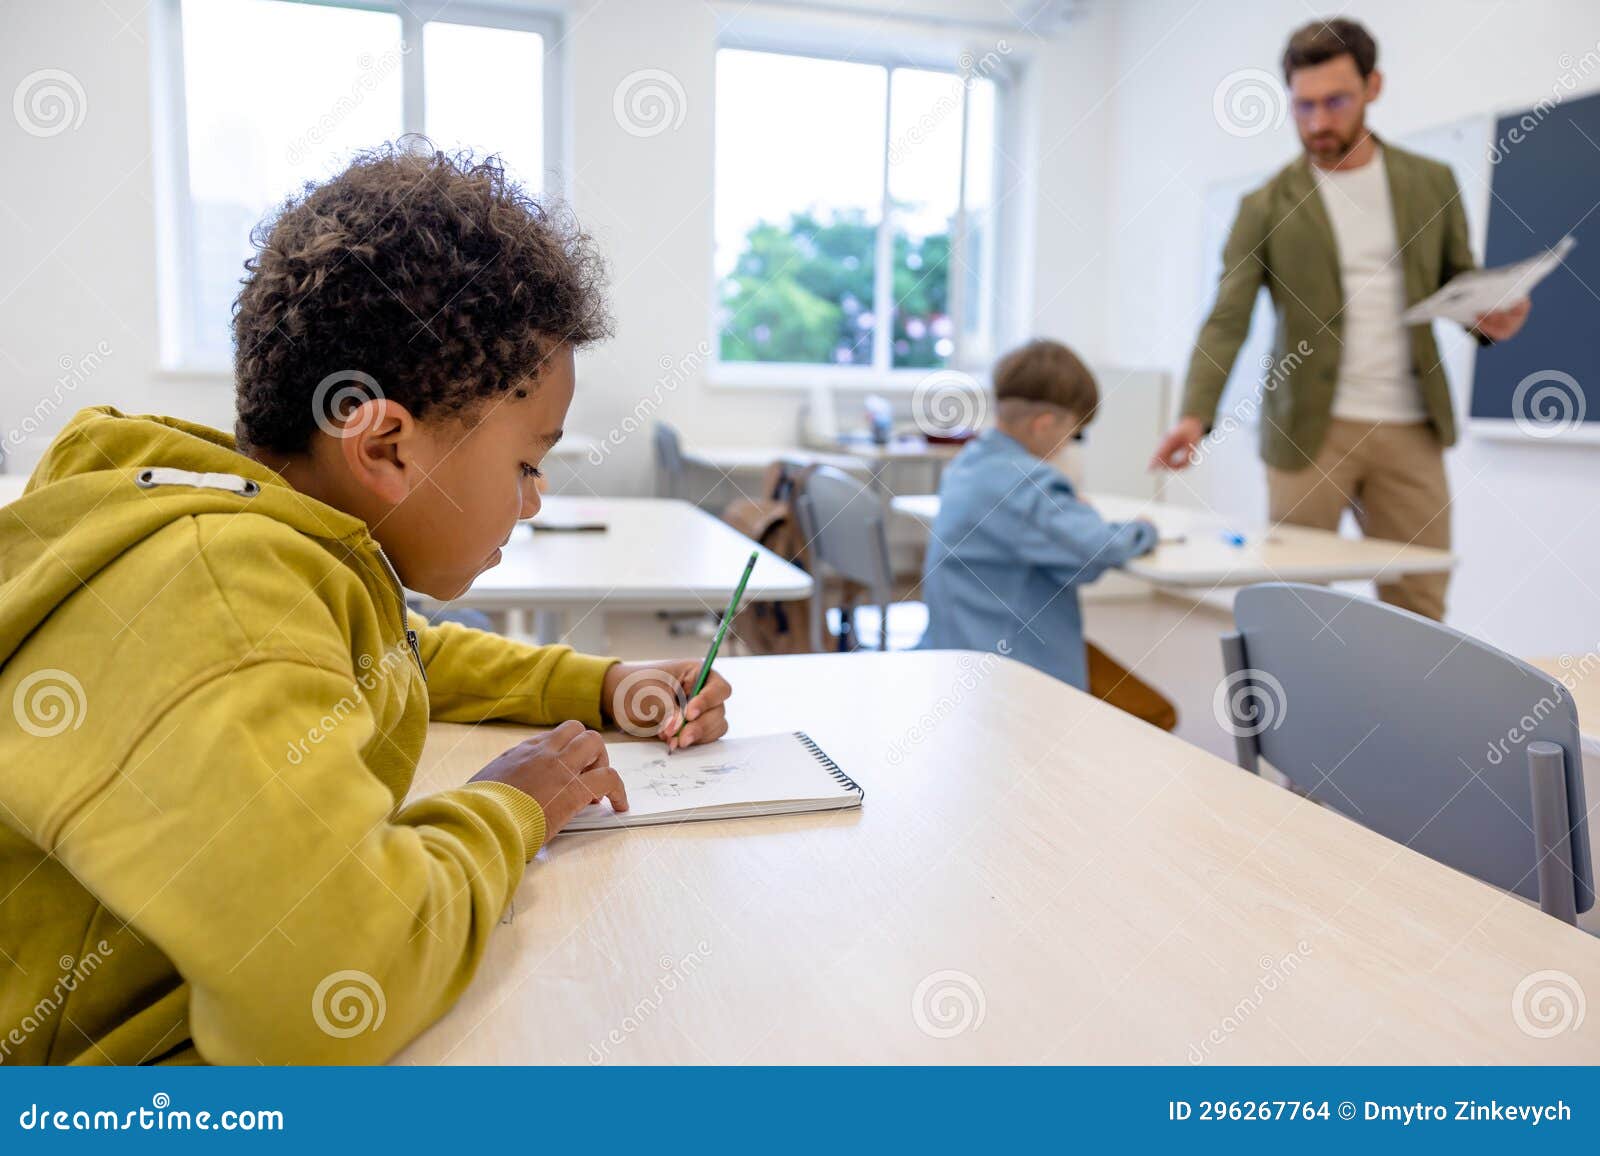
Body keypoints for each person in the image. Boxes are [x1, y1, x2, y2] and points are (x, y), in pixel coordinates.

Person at [0, 143, 731, 1065]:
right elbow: (330, 995)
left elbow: (398, 651)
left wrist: (602, 684)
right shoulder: (228, 597)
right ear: (385, 445)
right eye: (527, 463)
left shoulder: (250, 537)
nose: (536, 497)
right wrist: (507, 809)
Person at [1150, 17, 1529, 621]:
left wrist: (1488, 318)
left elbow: (1458, 282)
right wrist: (1195, 416)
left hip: (1413, 427)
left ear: (1373, 87)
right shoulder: (1264, 206)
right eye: (1303, 106)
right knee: (1295, 606)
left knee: (1421, 606)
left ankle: (1410, 717)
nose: (1318, 123)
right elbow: (1228, 318)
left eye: (1335, 102)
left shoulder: (1430, 183)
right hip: (1307, 431)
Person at [918, 339, 1157, 690]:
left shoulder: (968, 463)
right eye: (1075, 434)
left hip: (952, 657)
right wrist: (1142, 530)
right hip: (1011, 678)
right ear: (1045, 424)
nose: (1070, 446)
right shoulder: (1027, 483)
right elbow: (1097, 550)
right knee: (1150, 709)